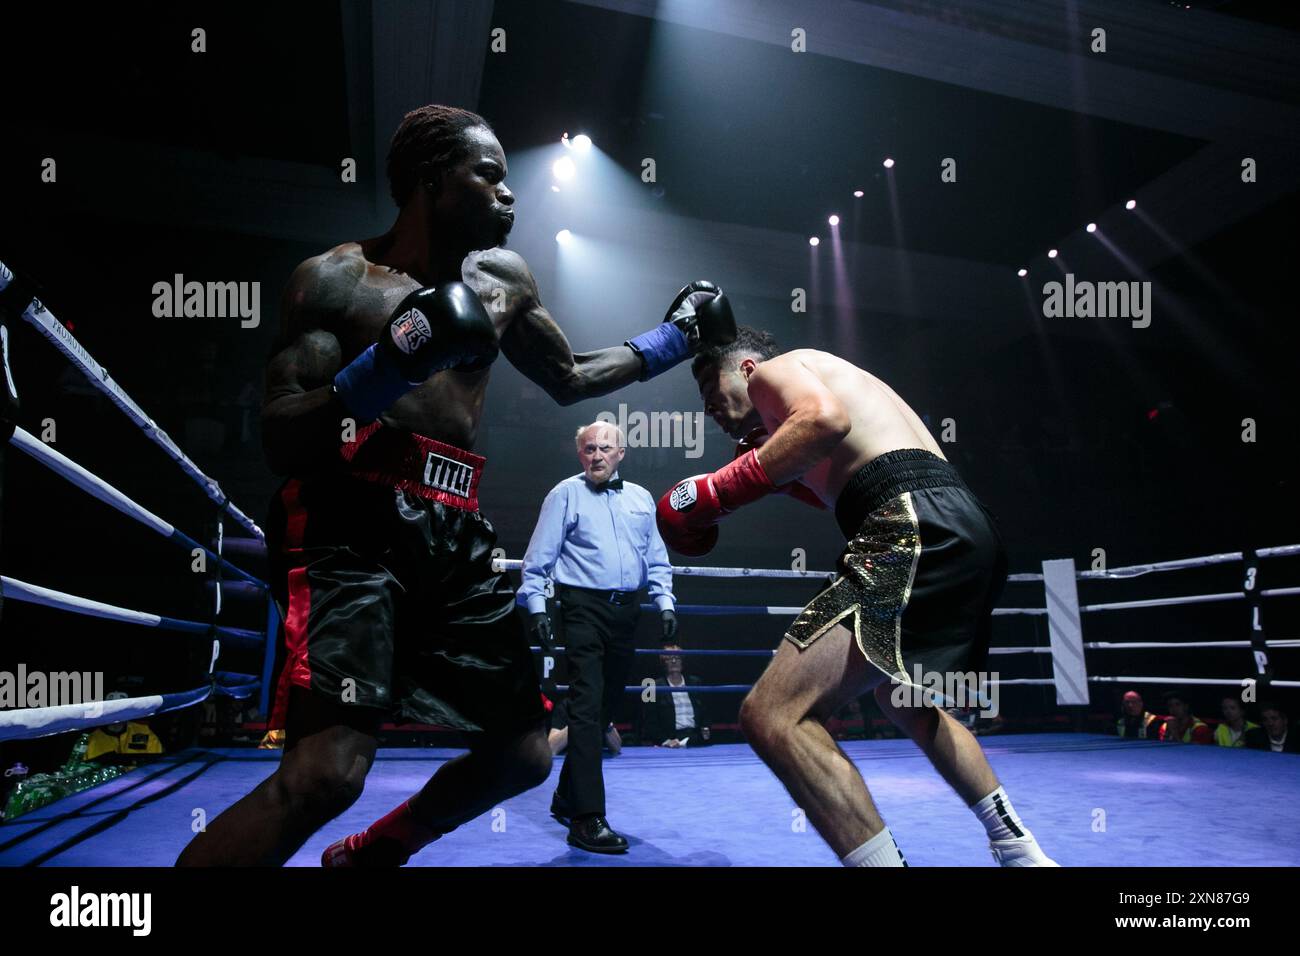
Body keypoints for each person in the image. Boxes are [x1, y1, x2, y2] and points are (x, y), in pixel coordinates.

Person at [176, 104, 733, 867]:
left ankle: (374, 853)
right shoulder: (335, 282)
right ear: (434, 183)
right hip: (350, 520)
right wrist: (387, 366)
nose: (510, 196)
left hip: (454, 528)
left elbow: (570, 378)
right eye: (490, 176)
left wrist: (675, 340)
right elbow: (282, 434)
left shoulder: (503, 280)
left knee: (524, 753)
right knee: (326, 775)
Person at [656, 326, 1058, 866]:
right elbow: (834, 468)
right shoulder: (829, 385)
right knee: (905, 699)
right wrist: (746, 480)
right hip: (965, 527)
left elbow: (824, 422)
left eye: (713, 396)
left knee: (774, 716)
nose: (713, 412)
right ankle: (1020, 851)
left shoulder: (777, 373)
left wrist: (717, 492)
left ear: (748, 369)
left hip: (908, 526)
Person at [519, 421, 678, 853]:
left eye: (605, 448)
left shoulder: (642, 498)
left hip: (628, 610)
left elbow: (657, 558)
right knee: (587, 707)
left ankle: (567, 795)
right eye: (589, 448)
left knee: (604, 707)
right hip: (581, 608)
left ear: (621, 452)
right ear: (579, 454)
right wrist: (538, 609)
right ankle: (587, 818)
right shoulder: (564, 494)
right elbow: (537, 561)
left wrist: (665, 604)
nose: (597, 455)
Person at [640, 644, 712, 748]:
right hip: (670, 739)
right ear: (664, 663)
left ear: (682, 662)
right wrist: (665, 741)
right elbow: (648, 722)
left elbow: (705, 713)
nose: (674, 661)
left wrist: (706, 729)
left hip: (695, 738)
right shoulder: (650, 685)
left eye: (677, 658)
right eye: (669, 658)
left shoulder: (696, 682)